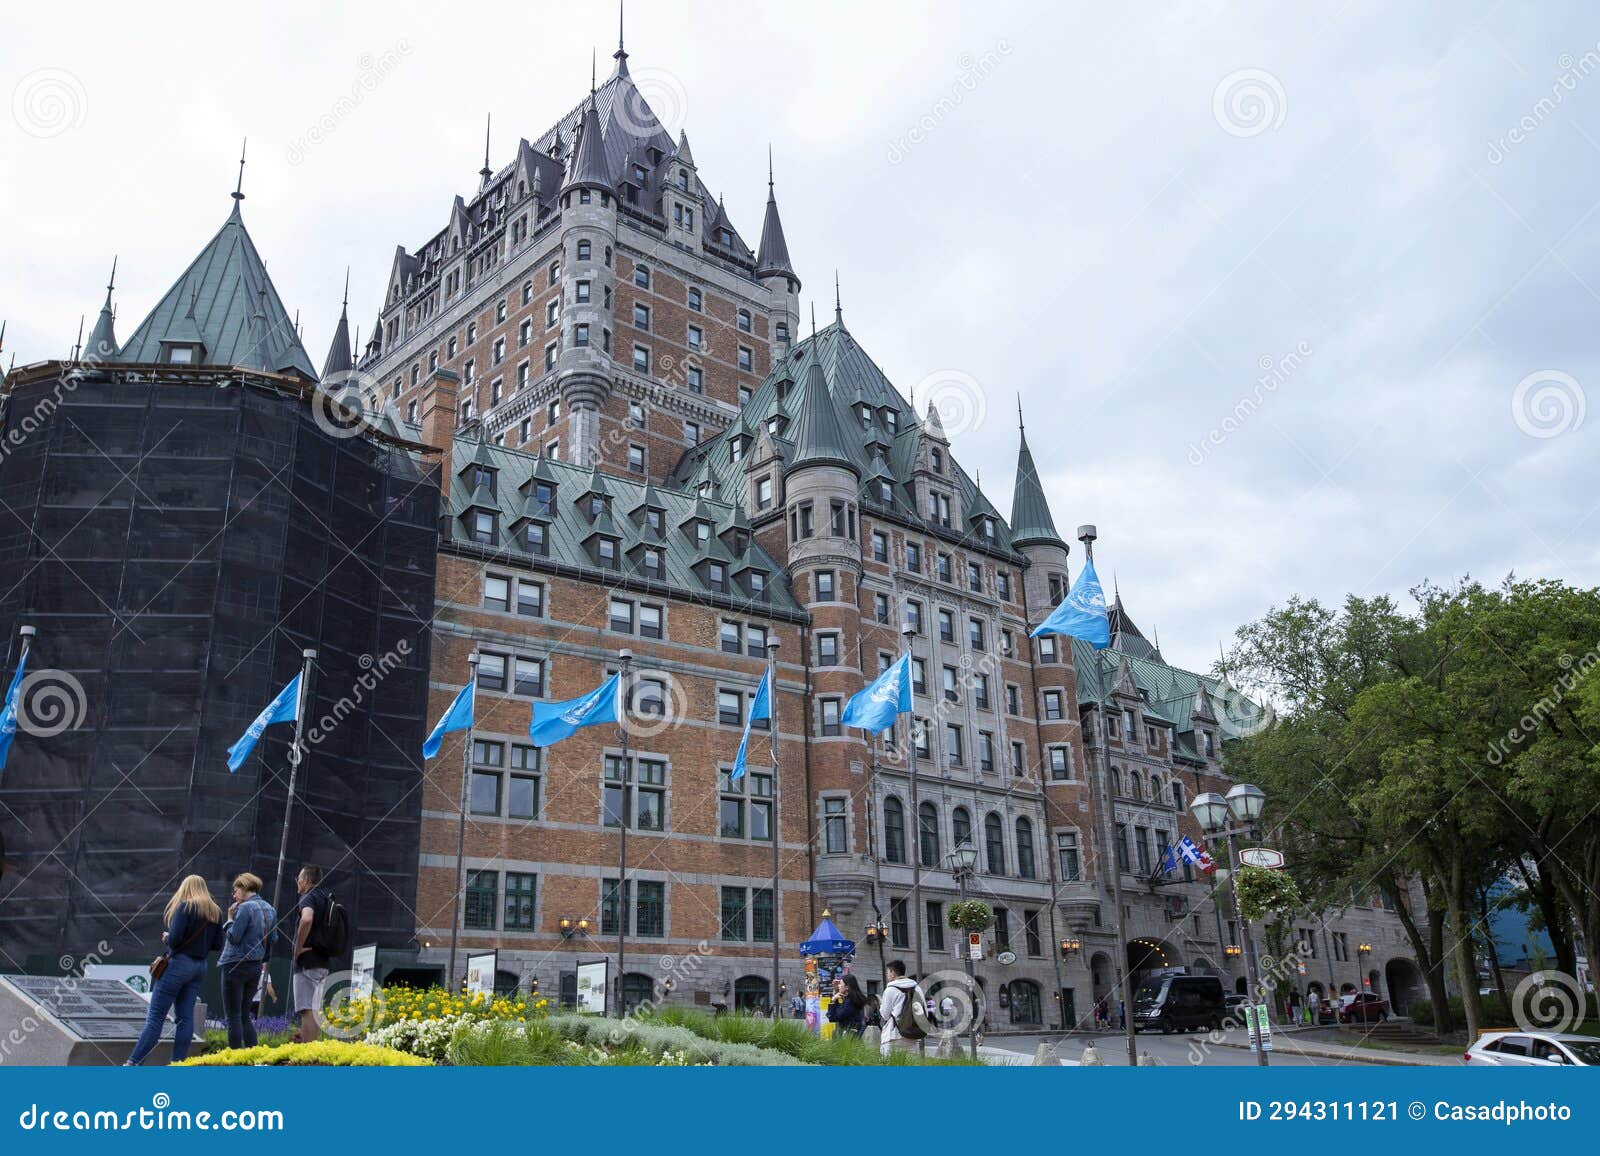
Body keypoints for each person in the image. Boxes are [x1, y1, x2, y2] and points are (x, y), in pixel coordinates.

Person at [126, 875, 223, 1065]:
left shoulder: (185, 906)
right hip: (199, 967)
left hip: (179, 964)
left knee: (156, 1018)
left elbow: (176, 939)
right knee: (185, 1018)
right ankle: (177, 1065)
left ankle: (133, 1063)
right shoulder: (216, 912)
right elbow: (217, 944)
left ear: (185, 888)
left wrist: (167, 937)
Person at [218, 872, 275, 1050]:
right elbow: (273, 939)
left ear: (243, 888)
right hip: (255, 967)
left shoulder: (245, 908)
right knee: (244, 1015)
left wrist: (228, 920)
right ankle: (252, 1055)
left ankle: (235, 1060)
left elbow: (234, 937)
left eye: (235, 891)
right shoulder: (270, 909)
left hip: (235, 965)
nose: (234, 896)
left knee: (233, 1016)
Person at [291, 865, 332, 1043]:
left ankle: (307, 1056)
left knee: (306, 1009)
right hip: (323, 962)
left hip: (308, 962)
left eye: (299, 879)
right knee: (314, 1009)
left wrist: (298, 947)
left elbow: (307, 918)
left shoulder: (307, 897)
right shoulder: (326, 898)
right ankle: (309, 1047)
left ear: (306, 880)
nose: (297, 883)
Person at [878, 960, 926, 1057]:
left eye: (888, 972)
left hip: (893, 1035)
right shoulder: (917, 988)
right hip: (913, 1035)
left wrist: (881, 1004)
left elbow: (885, 1015)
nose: (887, 975)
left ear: (892, 973)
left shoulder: (890, 990)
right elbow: (924, 1011)